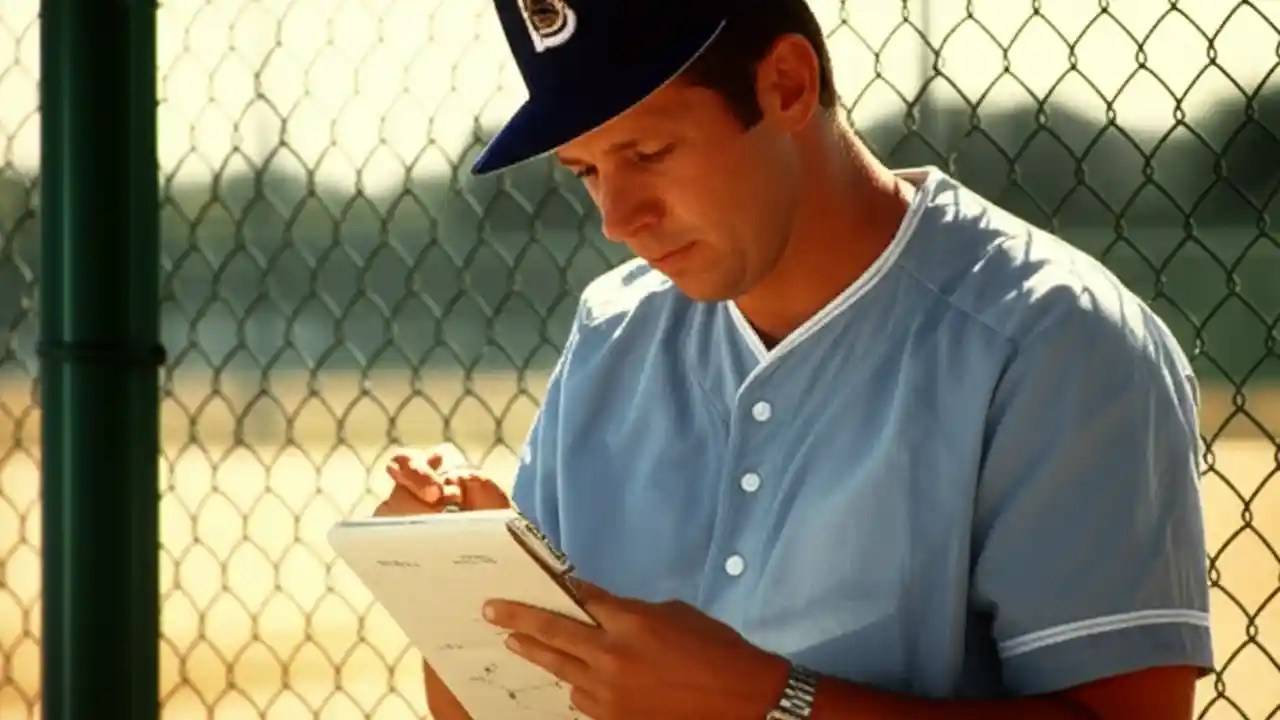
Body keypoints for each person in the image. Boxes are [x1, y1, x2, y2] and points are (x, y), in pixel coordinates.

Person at [373, 0, 1215, 717]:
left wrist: (766, 701)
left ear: (785, 84)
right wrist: (465, 592)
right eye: (587, 171)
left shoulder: (1056, 340)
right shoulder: (614, 330)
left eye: (648, 153)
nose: (618, 217)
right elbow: (508, 705)